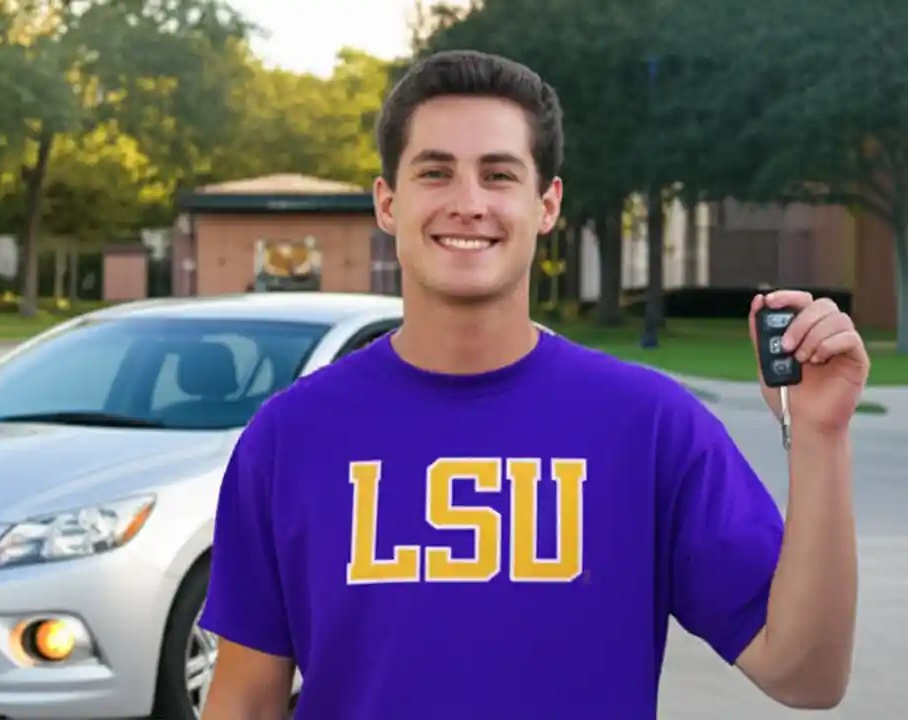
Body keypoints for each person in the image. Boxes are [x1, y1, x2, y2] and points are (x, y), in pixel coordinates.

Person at [196, 49, 866, 719]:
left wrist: (819, 435)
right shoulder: (289, 437)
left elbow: (807, 675)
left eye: (498, 175)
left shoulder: (651, 427)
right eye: (435, 172)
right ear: (388, 203)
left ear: (547, 205)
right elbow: (244, 701)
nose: (468, 203)